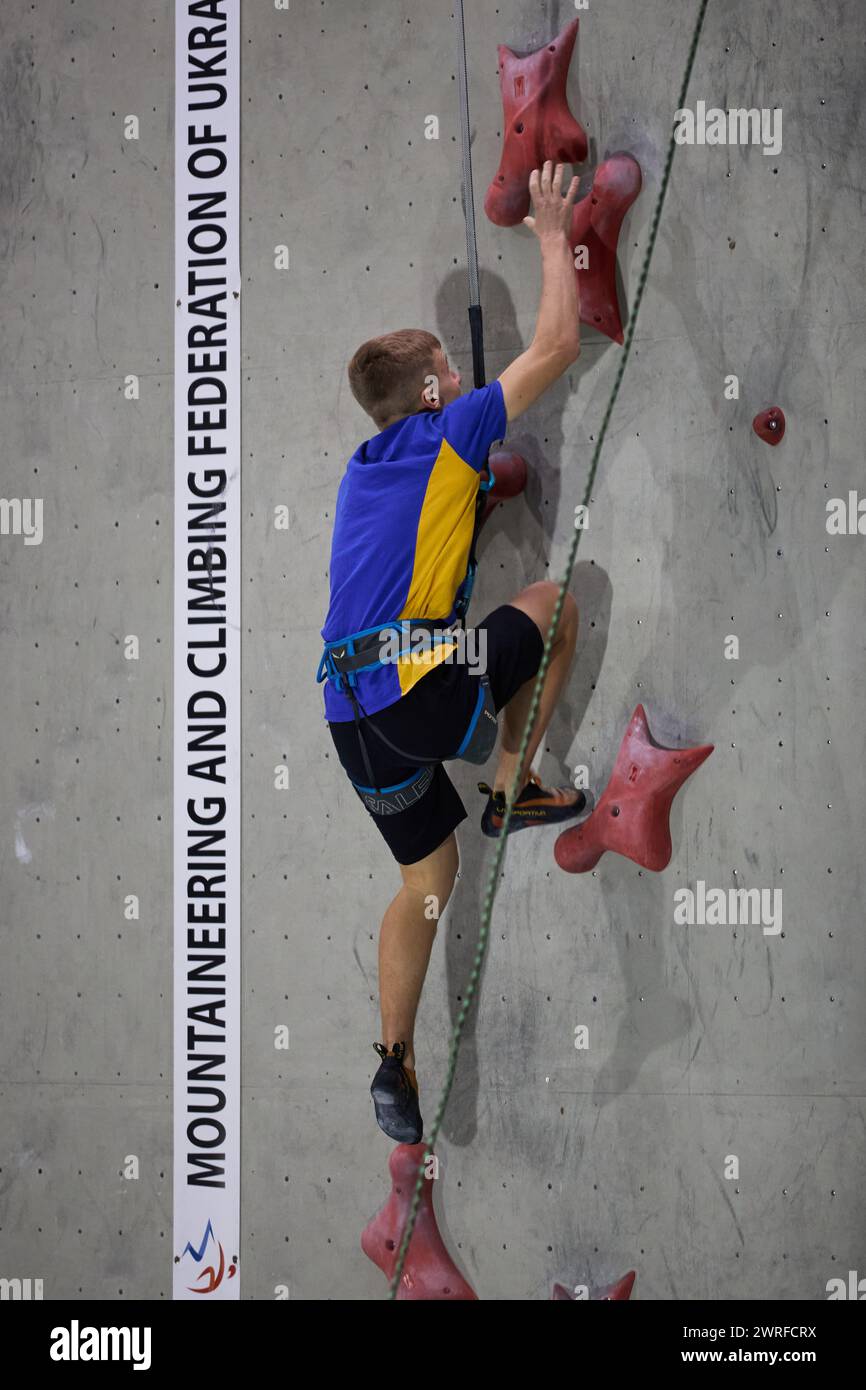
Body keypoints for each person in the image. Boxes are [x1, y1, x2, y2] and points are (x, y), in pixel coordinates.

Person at [318, 162, 589, 1142]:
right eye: (455, 369)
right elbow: (558, 343)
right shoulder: (450, 428)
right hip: (415, 694)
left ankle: (393, 1056)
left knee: (426, 882)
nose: (468, 381)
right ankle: (514, 777)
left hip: (353, 723)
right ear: (433, 390)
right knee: (552, 603)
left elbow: (414, 543)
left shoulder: (364, 468)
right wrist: (554, 229)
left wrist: (471, 505)